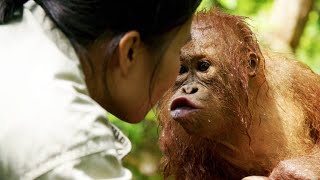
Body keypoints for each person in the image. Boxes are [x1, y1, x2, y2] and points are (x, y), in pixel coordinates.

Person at [0, 0, 201, 179]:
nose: (177, 75)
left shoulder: (19, 25)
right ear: (130, 51)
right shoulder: (69, 141)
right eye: (179, 52)